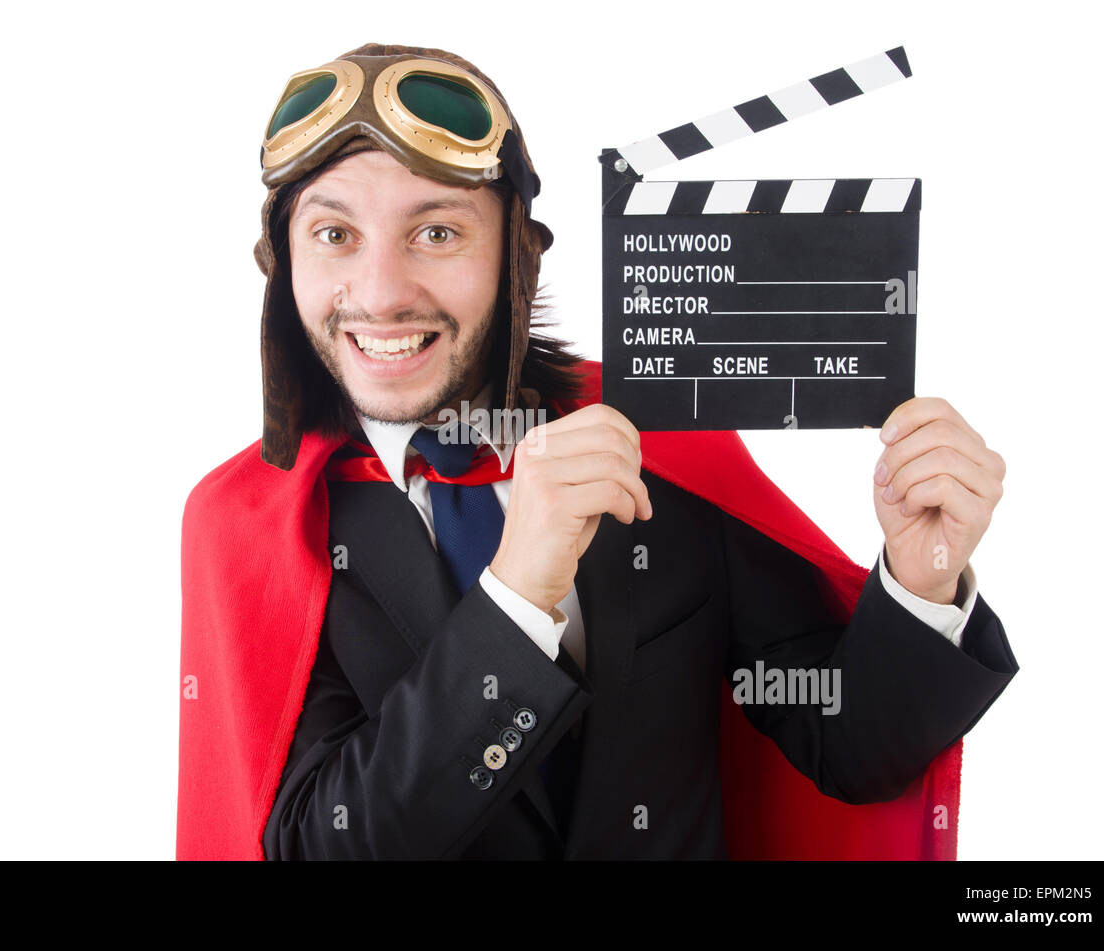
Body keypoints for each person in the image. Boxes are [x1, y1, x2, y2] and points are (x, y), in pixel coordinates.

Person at [175, 42, 1018, 861]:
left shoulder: (658, 440)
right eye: (334, 235)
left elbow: (848, 745)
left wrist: (921, 576)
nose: (385, 293)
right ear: (283, 262)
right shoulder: (254, 527)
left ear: (517, 259)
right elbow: (322, 843)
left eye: (437, 233)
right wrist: (517, 597)